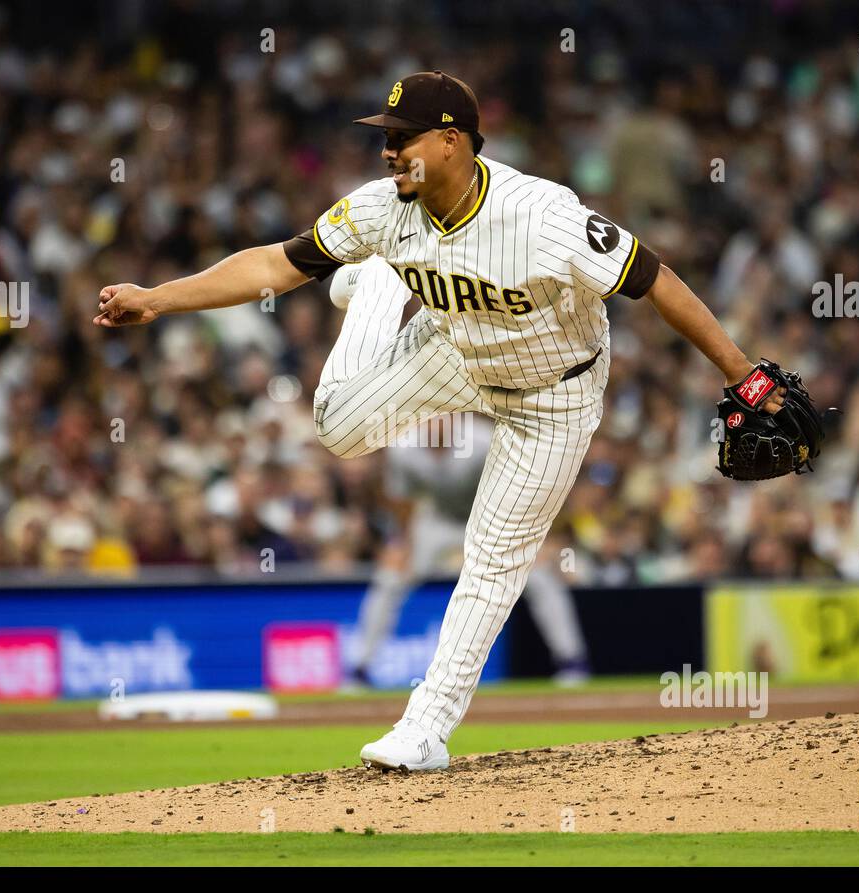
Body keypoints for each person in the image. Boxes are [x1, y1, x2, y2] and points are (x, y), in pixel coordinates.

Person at [95, 70, 789, 771]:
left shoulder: (542, 216)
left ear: (452, 141)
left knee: (491, 563)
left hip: (554, 392)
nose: (388, 151)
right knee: (336, 427)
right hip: (455, 348)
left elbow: (656, 280)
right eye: (384, 139)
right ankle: (376, 282)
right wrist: (160, 297)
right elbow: (275, 266)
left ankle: (423, 730)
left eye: (401, 138)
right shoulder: (381, 209)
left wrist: (743, 375)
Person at [342, 387, 590, 692]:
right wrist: (403, 545)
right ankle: (360, 670)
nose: (435, 423)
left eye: (441, 415)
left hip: (494, 514)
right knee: (390, 577)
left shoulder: (481, 441)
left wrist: (534, 537)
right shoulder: (403, 447)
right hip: (438, 521)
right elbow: (403, 501)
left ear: (455, 415)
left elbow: (523, 487)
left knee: (537, 575)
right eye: (428, 416)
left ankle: (572, 661)